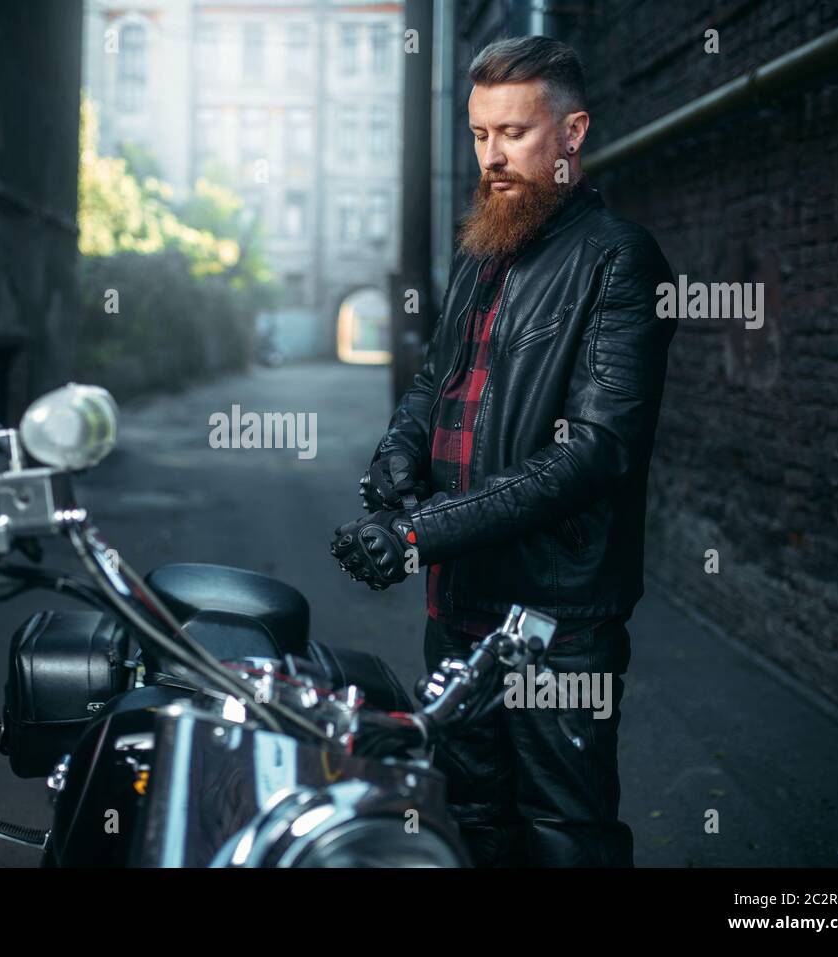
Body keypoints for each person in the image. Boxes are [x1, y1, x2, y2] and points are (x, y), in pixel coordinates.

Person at [329, 35, 677, 867]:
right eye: (480, 133)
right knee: (465, 812)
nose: (491, 156)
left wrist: (417, 535)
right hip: (461, 600)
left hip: (553, 615)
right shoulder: (484, 246)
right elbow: (437, 380)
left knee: (563, 829)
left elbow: (594, 452)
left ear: (572, 133)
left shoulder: (620, 260)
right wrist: (397, 456)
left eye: (513, 133)